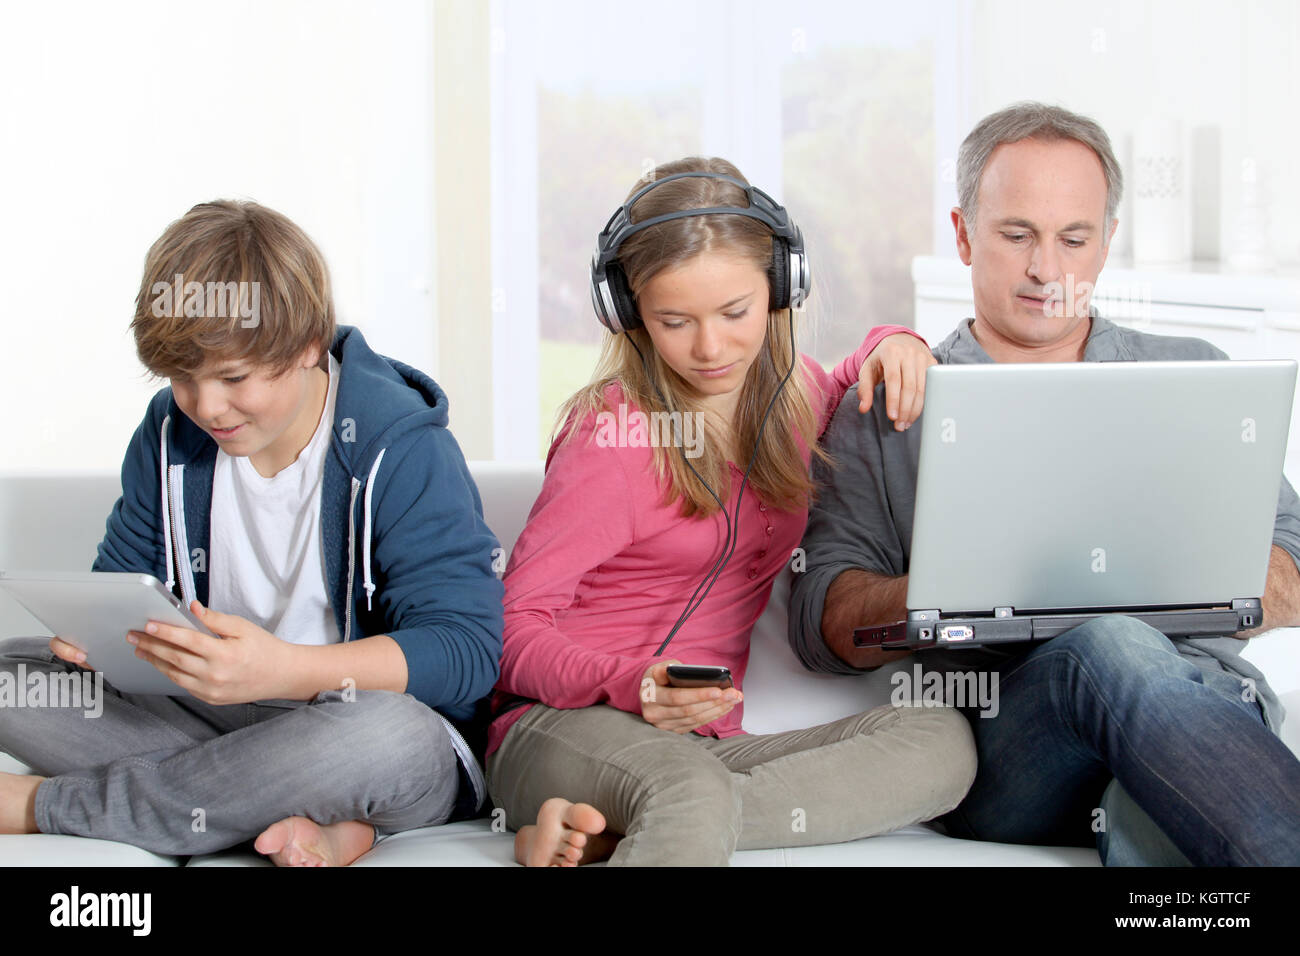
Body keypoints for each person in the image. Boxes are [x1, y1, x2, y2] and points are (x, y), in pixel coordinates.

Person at [789, 102, 1300, 866]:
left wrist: (1183, 568)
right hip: (1016, 747)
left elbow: (1293, 567)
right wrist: (949, 586)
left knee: (1150, 821)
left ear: (1108, 241)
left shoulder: (1185, 373)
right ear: (963, 235)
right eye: (1017, 234)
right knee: (1110, 642)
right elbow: (821, 619)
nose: (1047, 270)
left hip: (1206, 713)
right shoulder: (894, 402)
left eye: (1074, 238)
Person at [486, 157, 977, 867]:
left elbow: (847, 374)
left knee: (940, 742)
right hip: (560, 727)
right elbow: (509, 632)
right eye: (674, 321)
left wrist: (893, 340)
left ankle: (619, 835)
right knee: (686, 788)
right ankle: (667, 814)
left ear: (781, 290)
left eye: (735, 313)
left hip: (702, 746)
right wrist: (634, 683)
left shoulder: (794, 398)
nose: (711, 348)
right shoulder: (613, 441)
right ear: (629, 314)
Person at [0, 200, 503, 865]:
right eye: (184, 379)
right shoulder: (168, 433)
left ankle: (44, 807)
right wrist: (99, 640)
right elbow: (121, 578)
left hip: (363, 729)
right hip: (215, 717)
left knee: (386, 736)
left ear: (305, 348)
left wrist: (286, 669)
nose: (206, 407)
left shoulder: (400, 446)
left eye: (233, 378)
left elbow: (465, 651)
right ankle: (302, 809)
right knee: (14, 676)